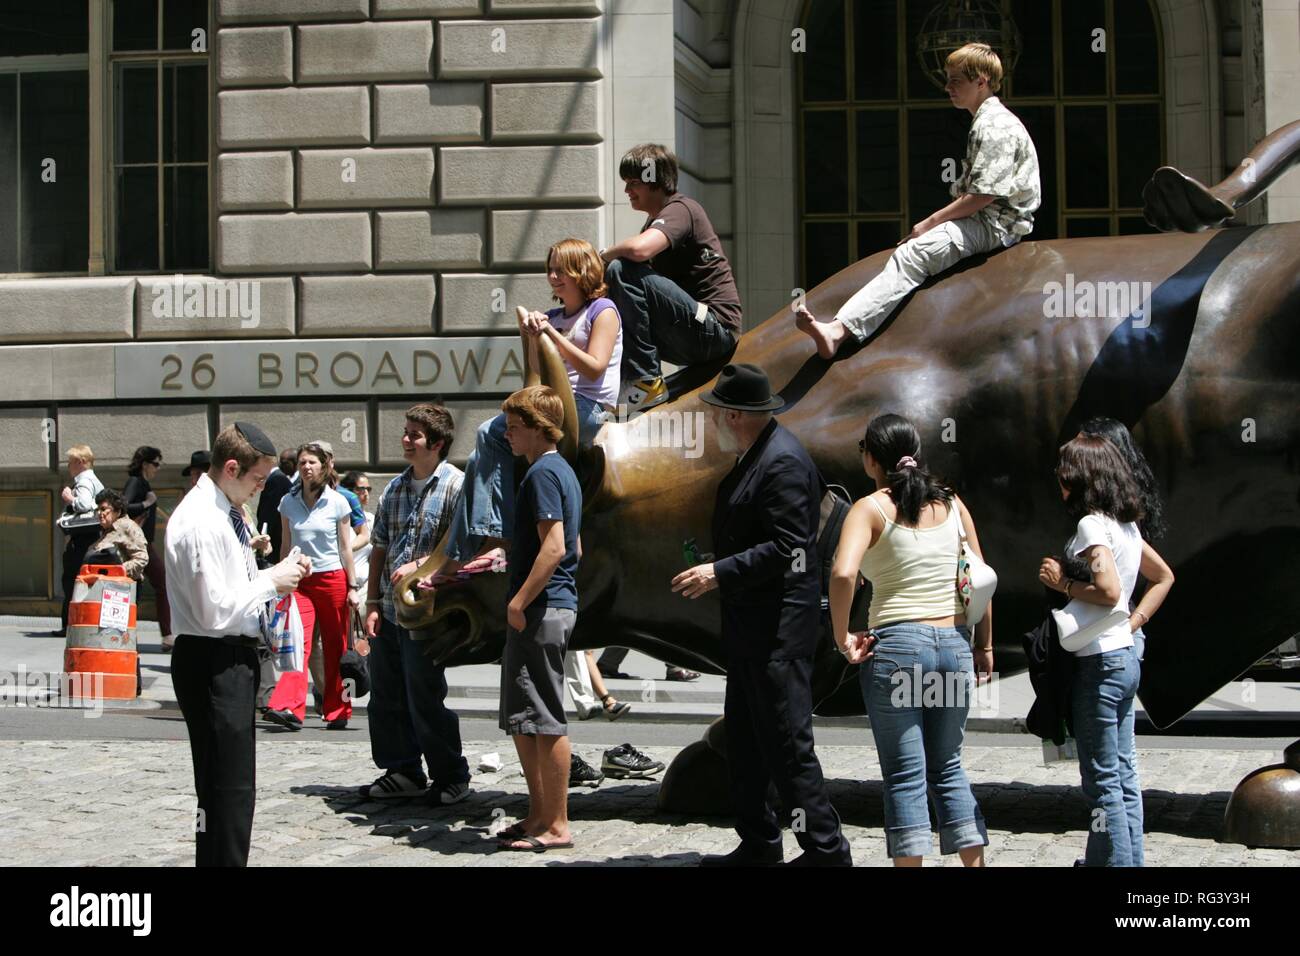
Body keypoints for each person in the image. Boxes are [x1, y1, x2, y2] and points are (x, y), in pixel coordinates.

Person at [674, 364, 852, 867]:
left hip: (779, 632)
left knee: (787, 747)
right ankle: (759, 843)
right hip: (751, 630)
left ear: (735, 415)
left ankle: (826, 852)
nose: (710, 422)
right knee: (748, 745)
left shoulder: (781, 462)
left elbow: (791, 549)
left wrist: (719, 573)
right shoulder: (754, 455)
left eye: (715, 413)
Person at [795, 42, 1040, 359]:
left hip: (994, 225)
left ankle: (838, 332)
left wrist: (931, 222)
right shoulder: (985, 120)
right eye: (948, 79)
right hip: (990, 219)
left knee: (914, 255)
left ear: (981, 81)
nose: (947, 87)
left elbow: (983, 195)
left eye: (956, 80)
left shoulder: (993, 125)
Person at [829, 414, 991, 866]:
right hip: (954, 644)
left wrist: (843, 636)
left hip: (898, 648)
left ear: (870, 459)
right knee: (949, 767)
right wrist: (985, 647)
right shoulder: (953, 503)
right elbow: (980, 577)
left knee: (905, 777)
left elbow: (843, 573)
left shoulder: (869, 508)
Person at [165, 422, 311, 866]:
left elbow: (234, 583)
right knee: (224, 792)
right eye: (257, 479)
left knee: (232, 789)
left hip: (229, 657)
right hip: (213, 658)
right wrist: (272, 580)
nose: (259, 489)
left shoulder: (224, 508)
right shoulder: (202, 522)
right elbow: (213, 609)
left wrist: (272, 572)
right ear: (232, 468)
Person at [435, 237, 621, 578]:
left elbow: (595, 367)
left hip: (586, 406)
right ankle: (462, 551)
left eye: (561, 270)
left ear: (581, 271)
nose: (553, 277)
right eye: (550, 270)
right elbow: (535, 373)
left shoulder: (603, 311)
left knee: (486, 431)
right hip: (549, 405)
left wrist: (553, 335)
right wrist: (533, 336)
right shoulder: (552, 316)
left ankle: (497, 539)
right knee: (478, 457)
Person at [1037, 435, 1174, 867]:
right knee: (1124, 773)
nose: (1058, 480)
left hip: (1097, 662)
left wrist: (1062, 584)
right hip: (1124, 657)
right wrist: (1133, 625)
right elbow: (1164, 576)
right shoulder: (1126, 525)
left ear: (1077, 478)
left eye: (1063, 471)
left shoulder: (1091, 526)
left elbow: (1109, 589)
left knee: (1101, 782)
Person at [359, 404, 472, 805]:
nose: (406, 440)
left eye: (415, 435)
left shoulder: (458, 487)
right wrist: (371, 601)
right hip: (390, 610)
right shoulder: (394, 487)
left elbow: (462, 548)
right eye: (406, 432)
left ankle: (451, 774)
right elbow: (379, 549)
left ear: (437, 444)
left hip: (428, 613)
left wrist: (423, 564)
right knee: (385, 695)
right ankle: (403, 768)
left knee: (424, 695)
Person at [495, 385, 582, 852]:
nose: (507, 434)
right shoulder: (558, 471)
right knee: (526, 717)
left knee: (544, 718)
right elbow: (576, 546)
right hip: (549, 606)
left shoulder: (543, 473)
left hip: (540, 609)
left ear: (536, 429)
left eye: (514, 426)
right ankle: (538, 816)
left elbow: (557, 547)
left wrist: (518, 602)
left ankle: (556, 824)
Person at [601, 143, 741, 410]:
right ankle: (624, 386)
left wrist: (601, 255)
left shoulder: (682, 209)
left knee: (620, 269)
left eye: (633, 183)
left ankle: (645, 382)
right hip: (690, 332)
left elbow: (640, 249)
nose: (627, 191)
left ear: (655, 180)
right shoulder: (654, 222)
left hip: (714, 328)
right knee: (613, 289)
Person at [264, 442, 359, 731]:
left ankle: (339, 708)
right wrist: (280, 581)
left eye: (312, 463)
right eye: (303, 462)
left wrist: (353, 586)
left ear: (325, 466)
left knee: (336, 647)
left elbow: (346, 548)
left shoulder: (338, 501)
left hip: (332, 580)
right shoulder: (287, 502)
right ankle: (288, 707)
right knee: (297, 644)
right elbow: (285, 545)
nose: (306, 467)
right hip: (300, 581)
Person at [1076, 417, 1167, 661]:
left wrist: (1062, 583)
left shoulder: (1107, 523)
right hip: (1116, 640)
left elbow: (1109, 591)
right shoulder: (1122, 519)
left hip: (1105, 643)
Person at [122, 446, 173, 651]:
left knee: (146, 586)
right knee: (159, 583)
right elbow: (123, 505)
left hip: (143, 544)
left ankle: (167, 634)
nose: (157, 468)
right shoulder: (136, 482)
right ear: (145, 464)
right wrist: (146, 503)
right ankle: (167, 635)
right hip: (136, 545)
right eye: (156, 464)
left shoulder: (142, 482)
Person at [56, 444, 105, 637]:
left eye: (71, 462)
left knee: (72, 580)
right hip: (92, 539)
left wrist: (69, 498)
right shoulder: (94, 480)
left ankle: (69, 625)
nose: (68, 466)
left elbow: (84, 504)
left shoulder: (84, 480)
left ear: (81, 462)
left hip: (82, 540)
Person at [88, 488, 149, 581]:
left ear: (117, 511)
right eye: (98, 509)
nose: (99, 513)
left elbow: (142, 558)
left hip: (123, 589)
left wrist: (117, 571)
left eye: (103, 509)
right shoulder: (107, 531)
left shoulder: (127, 526)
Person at [256, 449, 295, 566]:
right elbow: (268, 515)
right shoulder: (278, 479)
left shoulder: (277, 479)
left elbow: (268, 515)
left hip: (276, 543)